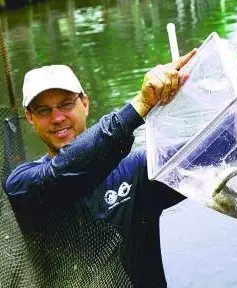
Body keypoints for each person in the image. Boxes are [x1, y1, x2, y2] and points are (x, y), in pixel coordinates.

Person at [5, 50, 197, 288]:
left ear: (84, 104)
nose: (57, 118)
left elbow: (212, 152)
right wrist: (140, 105)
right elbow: (64, 172)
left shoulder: (137, 171)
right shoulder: (22, 186)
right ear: (30, 117)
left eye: (66, 104)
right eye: (44, 111)